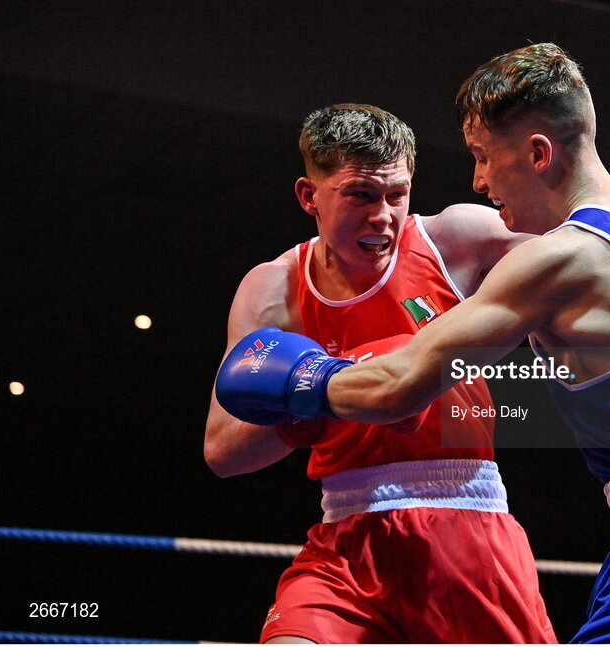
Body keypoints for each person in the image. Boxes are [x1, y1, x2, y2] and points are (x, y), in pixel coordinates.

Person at [214, 43, 610, 643]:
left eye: (482, 157)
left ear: (537, 152)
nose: (477, 180)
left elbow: (399, 385)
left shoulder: (553, 259)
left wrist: (305, 380)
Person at [204, 103, 557, 643]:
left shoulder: (455, 240)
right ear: (309, 197)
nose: (384, 216)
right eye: (362, 195)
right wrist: (325, 393)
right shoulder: (273, 289)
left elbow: (591, 253)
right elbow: (223, 450)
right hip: (344, 541)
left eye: (397, 194)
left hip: (465, 524)